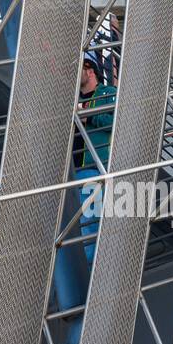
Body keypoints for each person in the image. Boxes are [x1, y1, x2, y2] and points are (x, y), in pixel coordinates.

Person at [73, 51, 117, 264]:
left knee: (91, 223)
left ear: (90, 71)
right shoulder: (72, 99)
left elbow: (113, 121)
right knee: (79, 226)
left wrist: (86, 111)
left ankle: (94, 274)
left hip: (94, 165)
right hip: (72, 170)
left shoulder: (108, 92)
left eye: (79, 68)